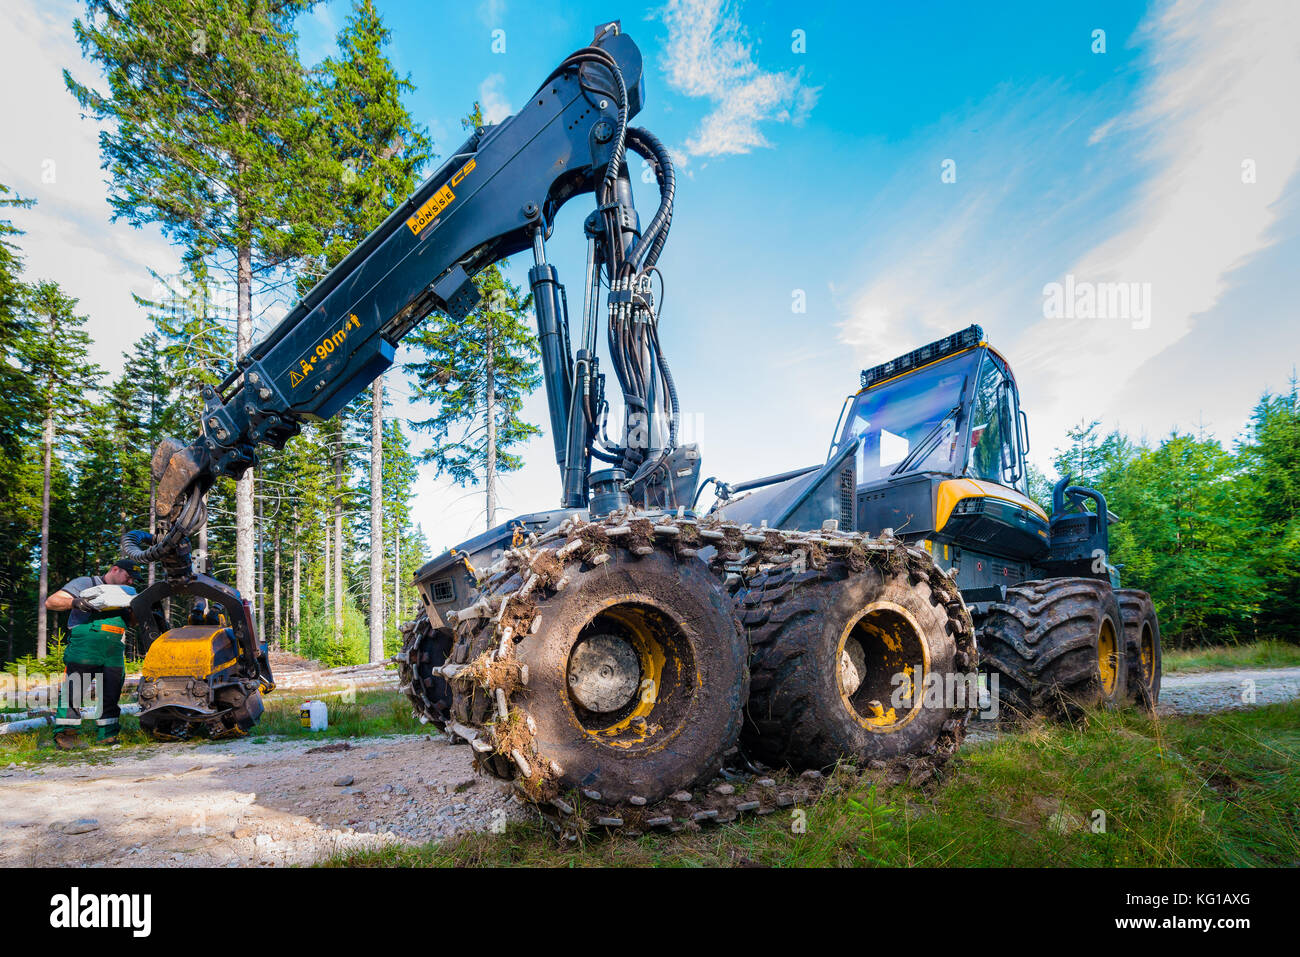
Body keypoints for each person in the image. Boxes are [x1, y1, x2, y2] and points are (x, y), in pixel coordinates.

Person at [44, 559, 142, 749]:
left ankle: (108, 735)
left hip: (114, 648)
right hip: (85, 645)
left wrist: (139, 609)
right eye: (128, 577)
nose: (130, 582)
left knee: (111, 693)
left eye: (133, 580)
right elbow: (51, 602)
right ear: (115, 569)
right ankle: (66, 735)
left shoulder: (127, 593)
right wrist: (75, 602)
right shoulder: (86, 583)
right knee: (75, 690)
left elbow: (132, 622)